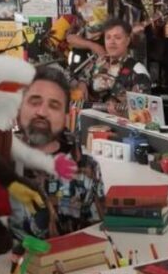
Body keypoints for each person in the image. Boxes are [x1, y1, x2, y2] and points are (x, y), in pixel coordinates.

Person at [9, 67, 105, 239]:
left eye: (54, 105)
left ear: (66, 116)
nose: (42, 112)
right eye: (34, 101)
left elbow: (95, 237)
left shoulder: (86, 168)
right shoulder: (0, 162)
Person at [77, 18, 152, 114]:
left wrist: (122, 112)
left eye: (117, 38)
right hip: (92, 121)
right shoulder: (98, 62)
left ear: (128, 40)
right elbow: (82, 77)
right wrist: (82, 84)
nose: (112, 42)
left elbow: (143, 111)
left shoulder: (138, 71)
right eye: (108, 37)